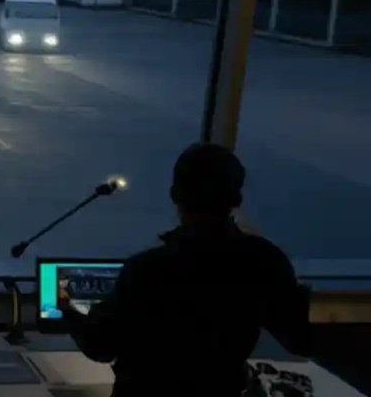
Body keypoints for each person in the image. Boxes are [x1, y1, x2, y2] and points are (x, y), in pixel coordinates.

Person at [59, 142, 313, 397]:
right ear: (236, 198)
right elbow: (298, 338)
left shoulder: (146, 269)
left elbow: (101, 346)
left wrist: (68, 310)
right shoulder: (264, 261)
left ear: (175, 195)